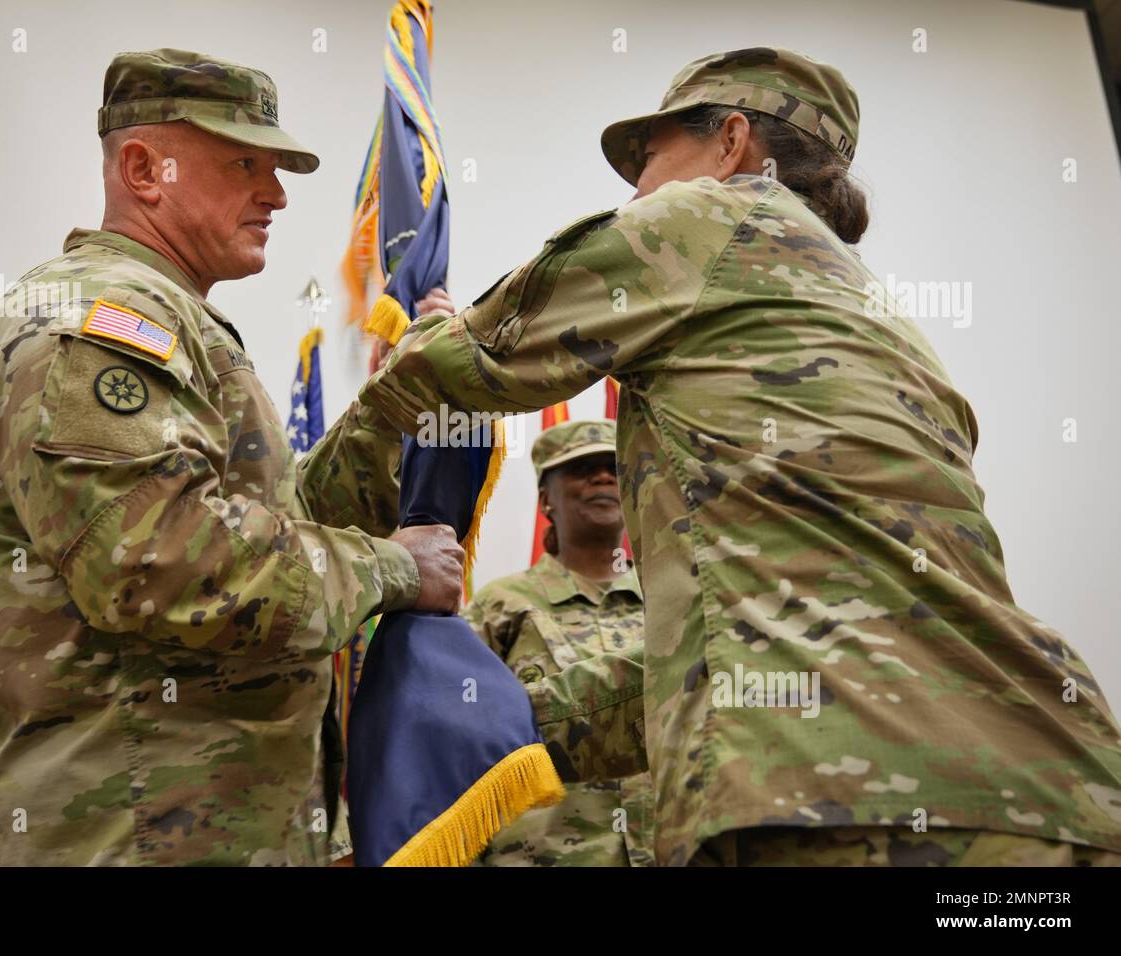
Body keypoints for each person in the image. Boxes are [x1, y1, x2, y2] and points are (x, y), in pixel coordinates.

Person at [364, 47, 1121, 865]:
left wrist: (300, 539)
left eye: (649, 160)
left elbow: (448, 370)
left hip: (822, 806)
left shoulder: (706, 221)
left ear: (731, 144)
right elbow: (751, 648)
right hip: (1055, 803)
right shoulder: (890, 329)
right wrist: (473, 724)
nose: (637, 194)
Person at [0, 48, 463, 866]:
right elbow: (163, 563)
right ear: (142, 168)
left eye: (276, 168)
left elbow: (279, 526)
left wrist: (402, 397)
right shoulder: (96, 316)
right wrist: (393, 570)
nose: (276, 194)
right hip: (139, 837)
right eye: (244, 164)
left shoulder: (168, 317)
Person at [464, 420, 653, 866]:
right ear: (546, 498)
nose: (603, 477)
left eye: (613, 467)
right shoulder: (502, 605)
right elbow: (458, 738)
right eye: (582, 469)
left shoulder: (672, 601)